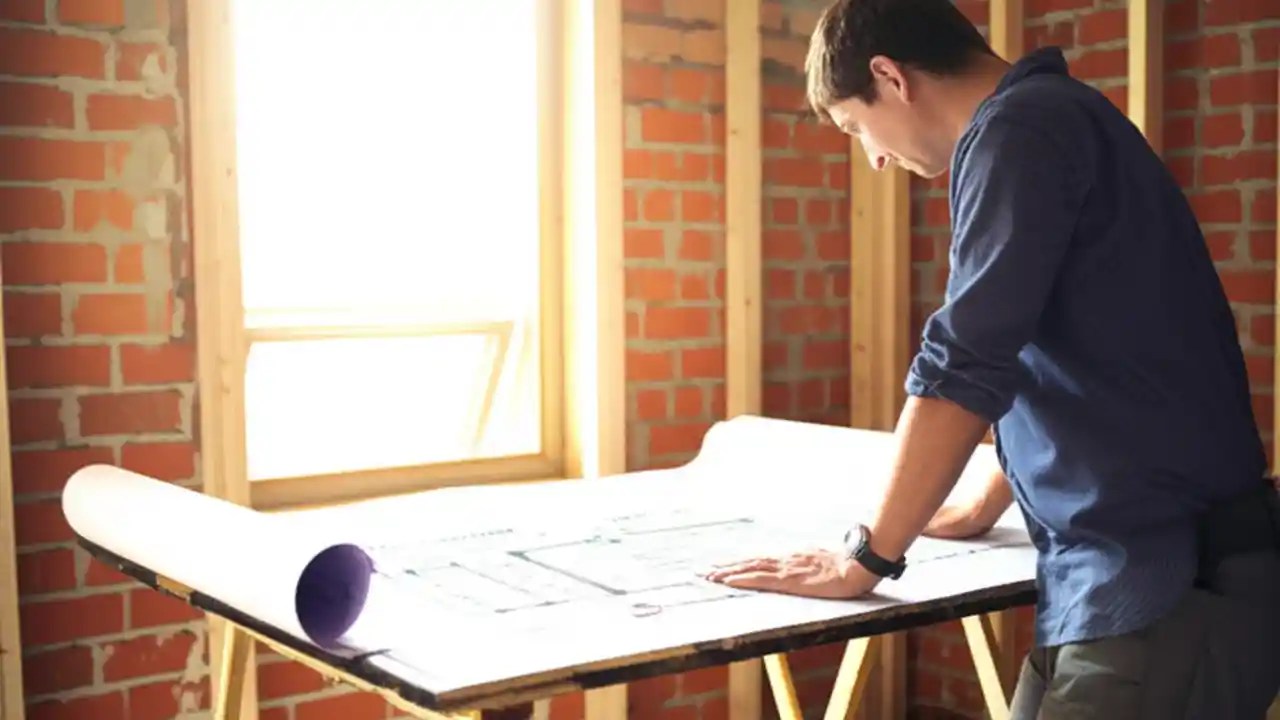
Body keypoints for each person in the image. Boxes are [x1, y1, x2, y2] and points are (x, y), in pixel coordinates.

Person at [704, 0, 1280, 717]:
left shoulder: (1020, 131)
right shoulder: (1053, 120)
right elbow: (1076, 354)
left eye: (856, 127)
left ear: (890, 76)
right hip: (1126, 580)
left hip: (1165, 582)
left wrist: (867, 557)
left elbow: (964, 362)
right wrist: (989, 498)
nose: (875, 158)